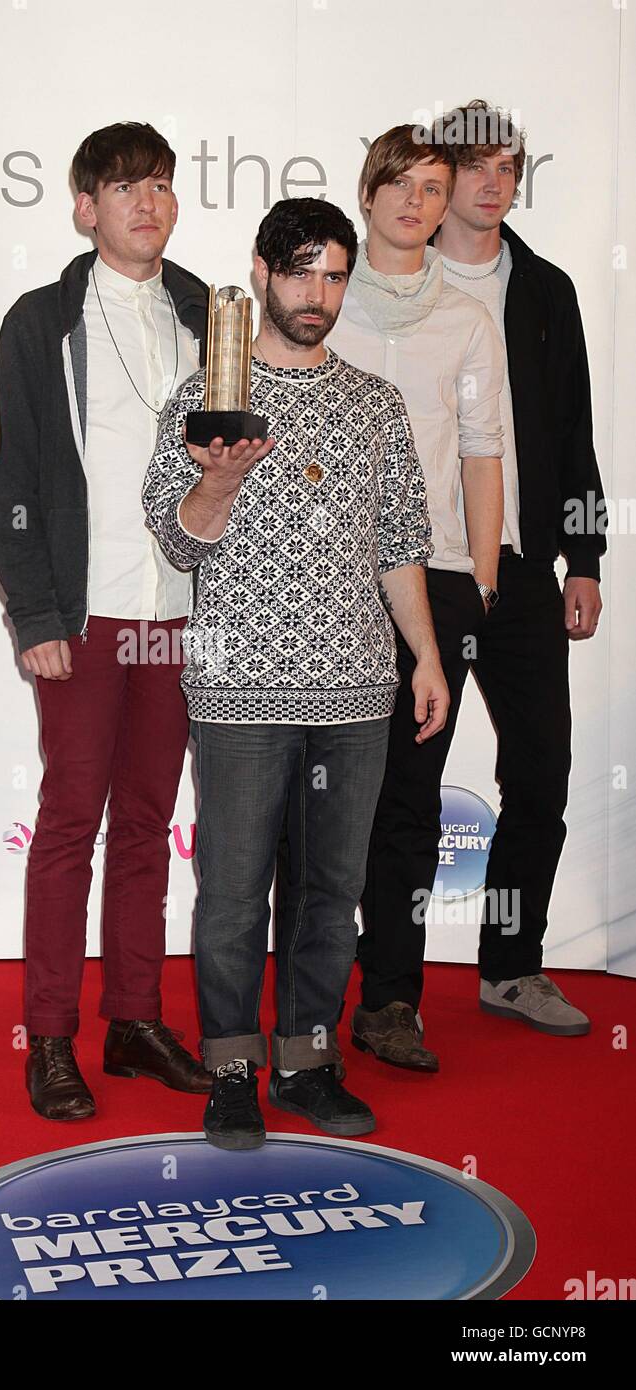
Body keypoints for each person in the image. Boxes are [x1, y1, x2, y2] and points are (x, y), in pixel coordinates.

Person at [143, 198, 449, 1151]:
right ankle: (232, 1068)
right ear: (263, 275)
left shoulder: (374, 404)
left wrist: (427, 656)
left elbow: (399, 544)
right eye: (300, 272)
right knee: (233, 890)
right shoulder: (201, 402)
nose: (316, 293)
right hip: (238, 692)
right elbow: (176, 539)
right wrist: (220, 476)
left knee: (330, 891)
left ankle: (308, 1061)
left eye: (333, 275)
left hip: (358, 691)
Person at [0, 122, 211, 1121]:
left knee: (150, 824)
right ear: (85, 207)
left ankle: (131, 1018)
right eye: (124, 187)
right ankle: (48, 1037)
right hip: (85, 616)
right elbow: (14, 475)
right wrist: (34, 608)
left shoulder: (209, 311)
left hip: (180, 613)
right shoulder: (41, 322)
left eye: (160, 185)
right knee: (71, 820)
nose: (146, 202)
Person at [276, 123, 506, 1073]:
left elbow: (485, 453)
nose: (415, 202)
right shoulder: (320, 301)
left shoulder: (465, 318)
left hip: (436, 581)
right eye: (399, 184)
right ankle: (297, 1007)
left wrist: (481, 581)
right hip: (324, 582)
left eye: (431, 187)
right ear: (367, 193)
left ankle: (393, 998)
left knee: (408, 807)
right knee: (310, 799)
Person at [429, 101, 605, 1035]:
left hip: (527, 566)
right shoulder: (393, 283)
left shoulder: (546, 289)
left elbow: (571, 432)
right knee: (401, 784)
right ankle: (383, 988)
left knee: (540, 769)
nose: (495, 183)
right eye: (478, 166)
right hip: (423, 569)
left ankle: (511, 966)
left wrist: (585, 555)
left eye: (510, 167)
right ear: (441, 175)